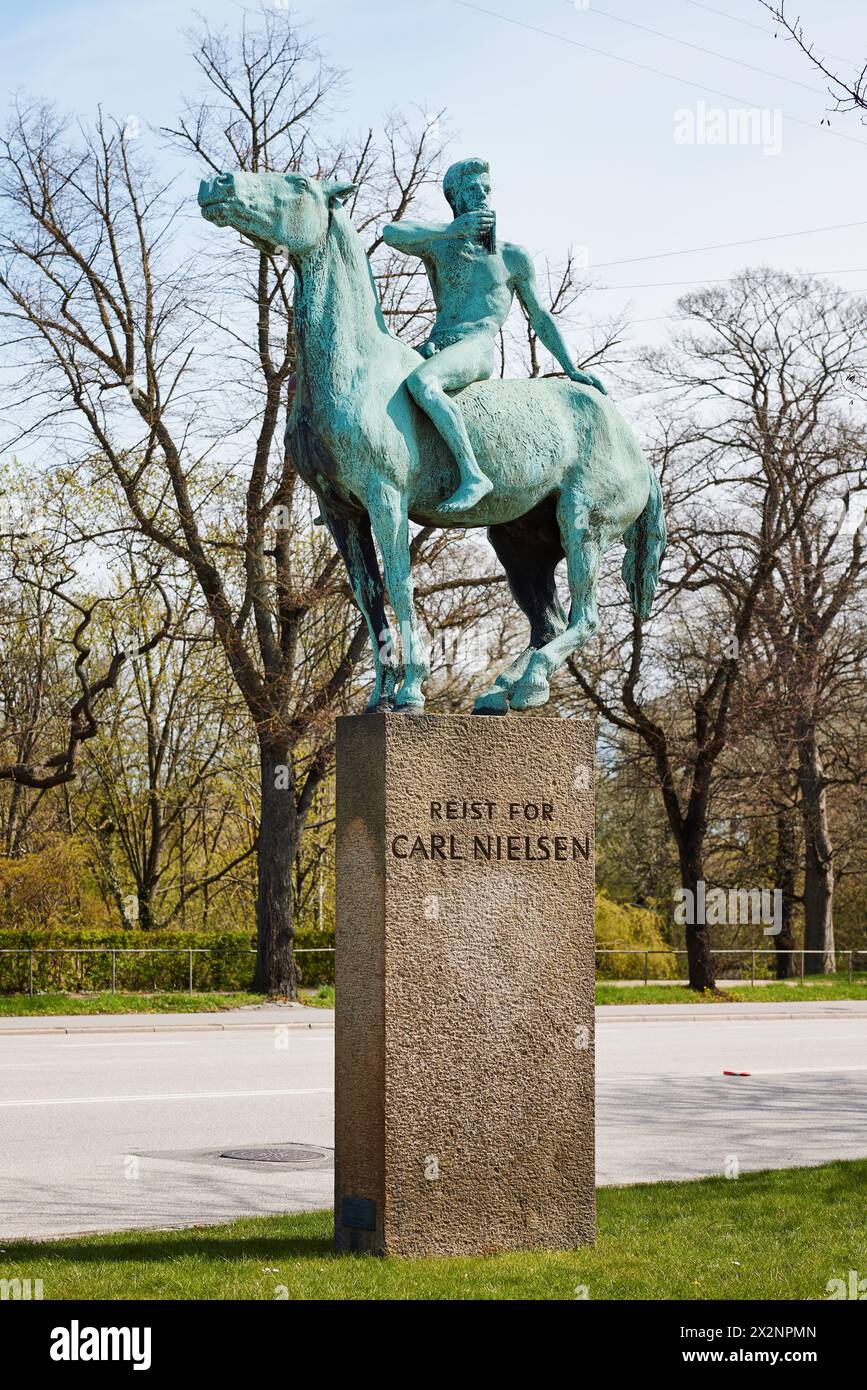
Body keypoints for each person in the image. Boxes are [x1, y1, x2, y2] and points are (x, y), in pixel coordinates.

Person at [383, 157, 606, 513]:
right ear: (455, 198)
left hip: (476, 345)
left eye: (486, 189)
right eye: (472, 190)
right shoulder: (441, 243)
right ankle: (347, 480)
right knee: (377, 384)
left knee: (424, 384)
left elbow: (540, 317)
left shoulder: (511, 255)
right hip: (436, 343)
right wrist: (451, 231)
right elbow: (391, 233)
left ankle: (473, 475)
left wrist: (571, 367)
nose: (482, 196)